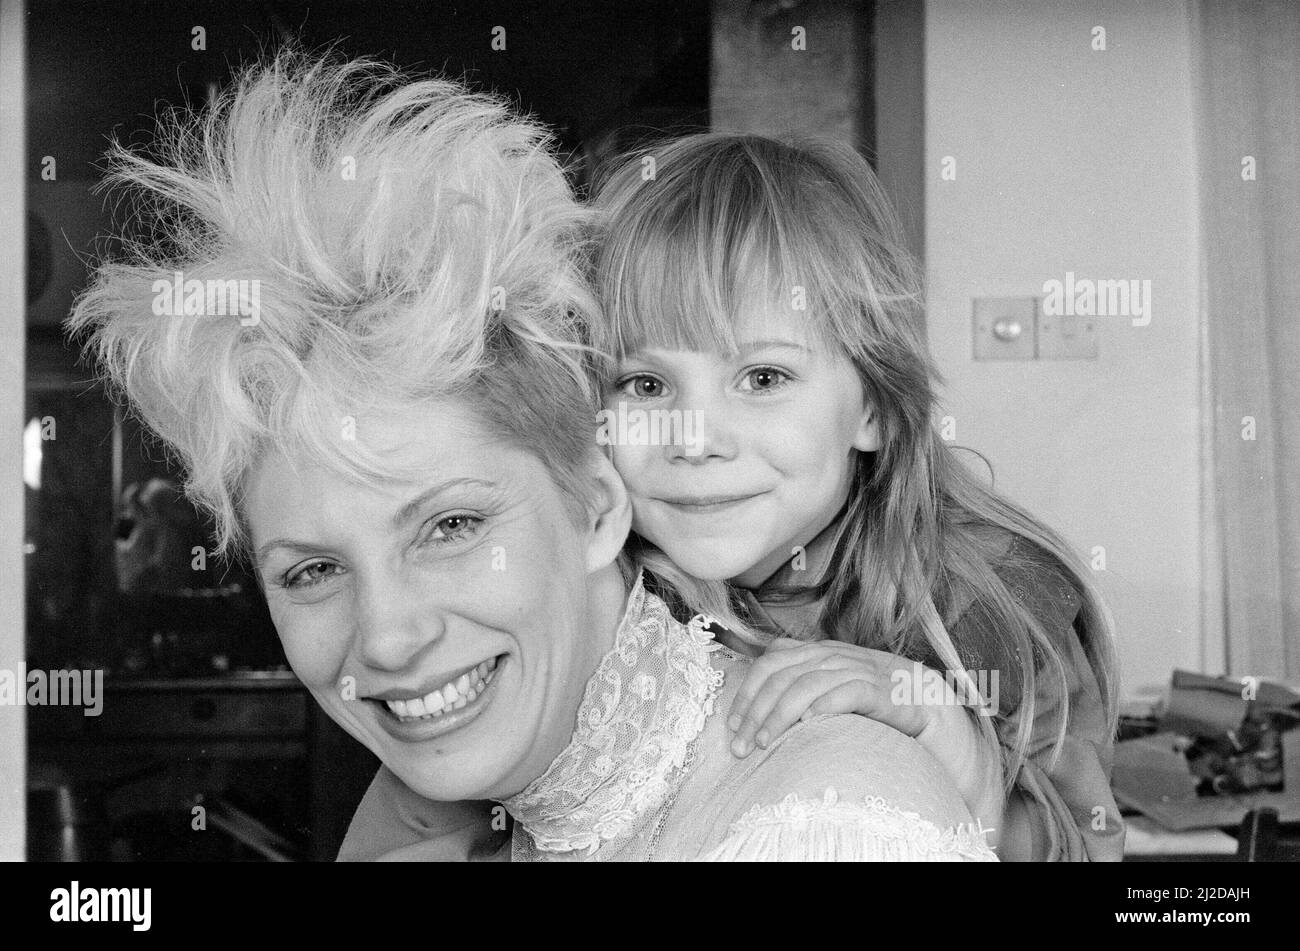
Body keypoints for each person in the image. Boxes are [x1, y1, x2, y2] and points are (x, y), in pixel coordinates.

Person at [71, 51, 996, 862]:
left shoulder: (831, 817)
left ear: (598, 504)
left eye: (452, 525)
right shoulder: (437, 814)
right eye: (312, 569)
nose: (387, 637)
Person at [588, 132, 1124, 861]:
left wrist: (946, 736)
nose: (695, 438)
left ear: (871, 406)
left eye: (763, 378)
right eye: (646, 385)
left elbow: (1087, 852)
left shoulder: (990, 604)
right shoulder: (601, 601)